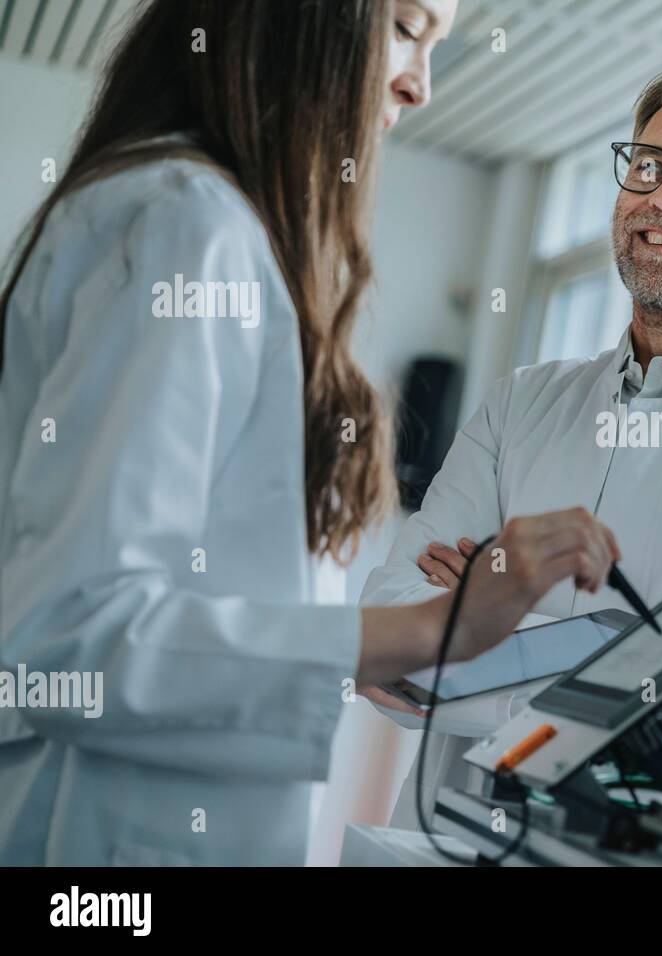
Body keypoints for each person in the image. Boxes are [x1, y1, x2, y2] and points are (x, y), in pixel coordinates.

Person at [0, 0, 619, 866]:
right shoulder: (187, 223)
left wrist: (379, 648)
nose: (420, 84)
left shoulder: (207, 224)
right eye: (406, 28)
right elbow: (74, 638)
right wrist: (438, 627)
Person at [361, 59, 662, 826]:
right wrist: (643, 651)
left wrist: (481, 622)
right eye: (650, 165)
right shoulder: (521, 402)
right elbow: (389, 641)